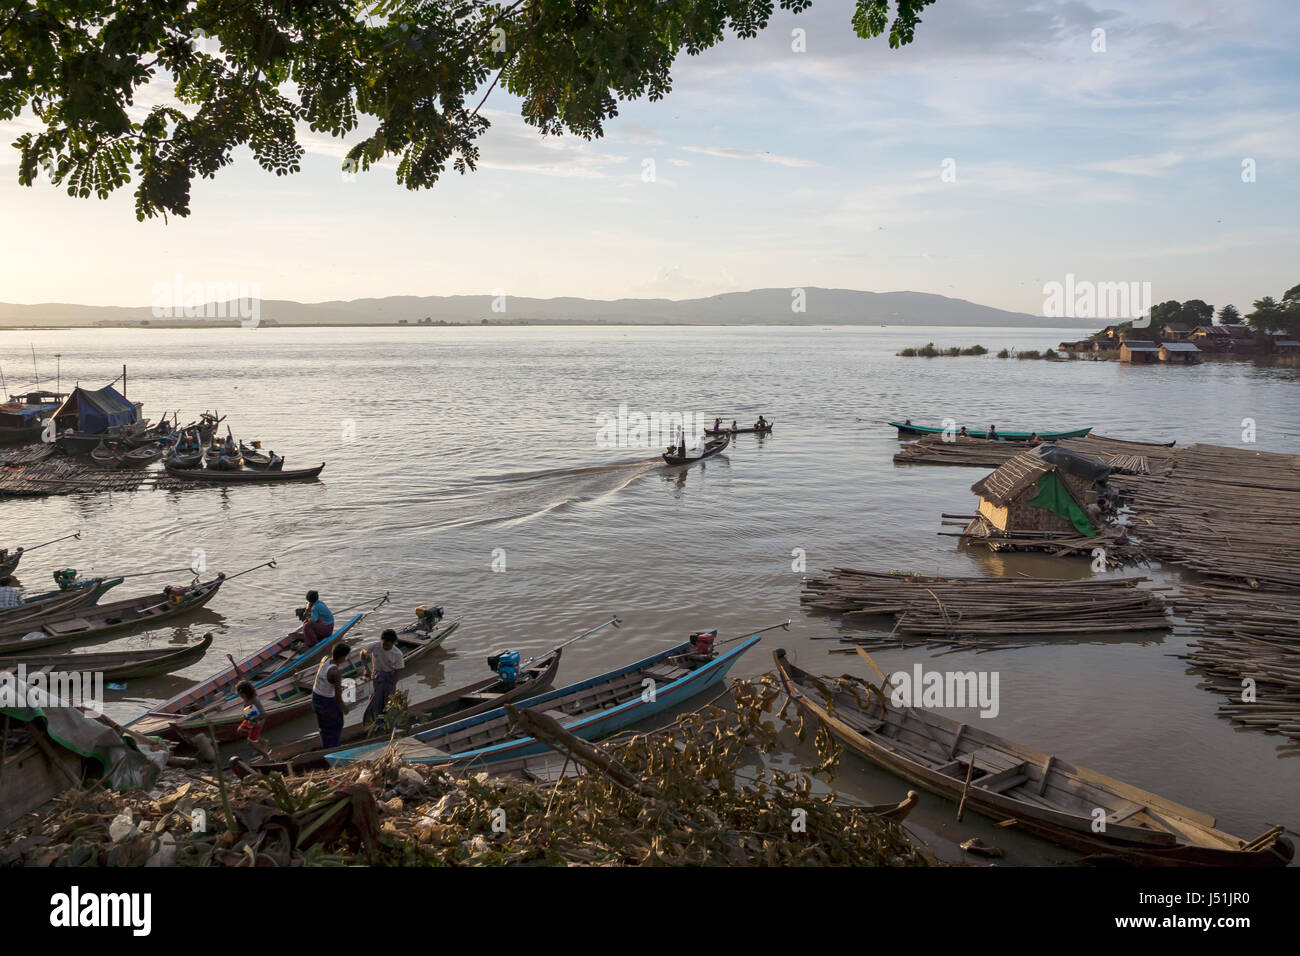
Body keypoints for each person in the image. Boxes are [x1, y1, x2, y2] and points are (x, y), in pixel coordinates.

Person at [360, 628, 405, 728]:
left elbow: (397, 672)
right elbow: (362, 653)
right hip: (377, 676)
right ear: (381, 640)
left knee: (389, 702)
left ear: (393, 643)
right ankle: (377, 722)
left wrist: (393, 686)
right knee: (376, 700)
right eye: (384, 644)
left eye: (388, 645)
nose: (385, 647)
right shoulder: (375, 646)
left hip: (389, 677)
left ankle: (390, 724)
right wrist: (366, 668)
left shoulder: (397, 654)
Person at [311, 642, 353, 749]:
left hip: (315, 697)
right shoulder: (335, 672)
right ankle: (333, 748)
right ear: (342, 657)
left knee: (324, 727)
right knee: (337, 723)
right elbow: (338, 697)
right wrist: (344, 708)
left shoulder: (325, 659)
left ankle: (327, 747)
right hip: (326, 701)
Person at [235, 681, 272, 758]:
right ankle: (263, 742)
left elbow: (264, 714)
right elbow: (249, 708)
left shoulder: (254, 700)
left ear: (244, 694)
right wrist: (246, 715)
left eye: (240, 694)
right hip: (251, 717)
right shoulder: (248, 697)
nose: (240, 696)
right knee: (240, 730)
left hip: (257, 723)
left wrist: (251, 718)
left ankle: (266, 756)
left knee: (250, 742)